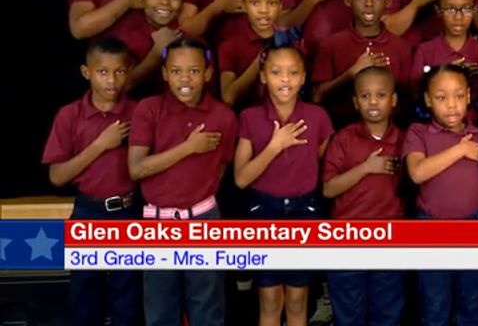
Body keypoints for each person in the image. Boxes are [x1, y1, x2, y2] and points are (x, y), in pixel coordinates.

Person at [128, 37, 237, 326]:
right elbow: (136, 169)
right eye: (176, 71)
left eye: (193, 70)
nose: (184, 79)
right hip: (158, 222)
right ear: (165, 74)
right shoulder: (149, 109)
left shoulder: (223, 116)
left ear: (208, 73)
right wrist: (188, 148)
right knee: (160, 307)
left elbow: (220, 169)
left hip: (203, 218)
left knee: (207, 307)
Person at [42, 37, 141, 326]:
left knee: (129, 300)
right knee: (85, 298)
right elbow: (57, 176)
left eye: (119, 72)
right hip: (88, 212)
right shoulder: (70, 115)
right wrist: (100, 144)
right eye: (102, 72)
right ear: (86, 72)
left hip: (130, 211)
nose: (111, 80)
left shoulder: (140, 112)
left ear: (130, 71)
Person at [234, 42, 334, 326]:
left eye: (293, 73)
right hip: (264, 209)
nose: (285, 79)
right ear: (264, 76)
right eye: (277, 72)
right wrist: (275, 146)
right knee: (269, 298)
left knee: (297, 297)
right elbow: (241, 178)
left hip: (306, 209)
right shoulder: (250, 117)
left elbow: (320, 160)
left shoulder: (318, 117)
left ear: (303, 77)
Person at [404, 63, 478, 325]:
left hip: (475, 224)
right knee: (435, 303)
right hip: (431, 227)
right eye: (441, 97)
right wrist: (459, 151)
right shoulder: (418, 132)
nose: (451, 105)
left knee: (472, 302)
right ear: (428, 100)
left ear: (469, 96)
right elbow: (417, 172)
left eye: (459, 96)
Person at [322, 66, 406, 326]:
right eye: (365, 96)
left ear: (393, 100)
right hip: (348, 237)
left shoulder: (405, 140)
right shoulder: (344, 139)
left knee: (388, 310)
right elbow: (328, 189)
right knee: (348, 311)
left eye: (380, 95)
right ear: (356, 102)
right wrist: (366, 168)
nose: (373, 101)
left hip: (390, 236)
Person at [312, 0, 412, 127]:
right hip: (341, 132)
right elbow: (316, 97)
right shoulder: (330, 45)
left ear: (387, 1)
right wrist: (350, 74)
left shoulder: (401, 48)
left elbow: (408, 103)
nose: (369, 3)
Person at [411, 0, 478, 124]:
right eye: (450, 9)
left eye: (466, 9)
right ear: (438, 11)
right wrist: (444, 73)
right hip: (434, 128)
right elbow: (415, 96)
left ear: (474, 10)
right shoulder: (425, 51)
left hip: (475, 127)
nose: (458, 17)